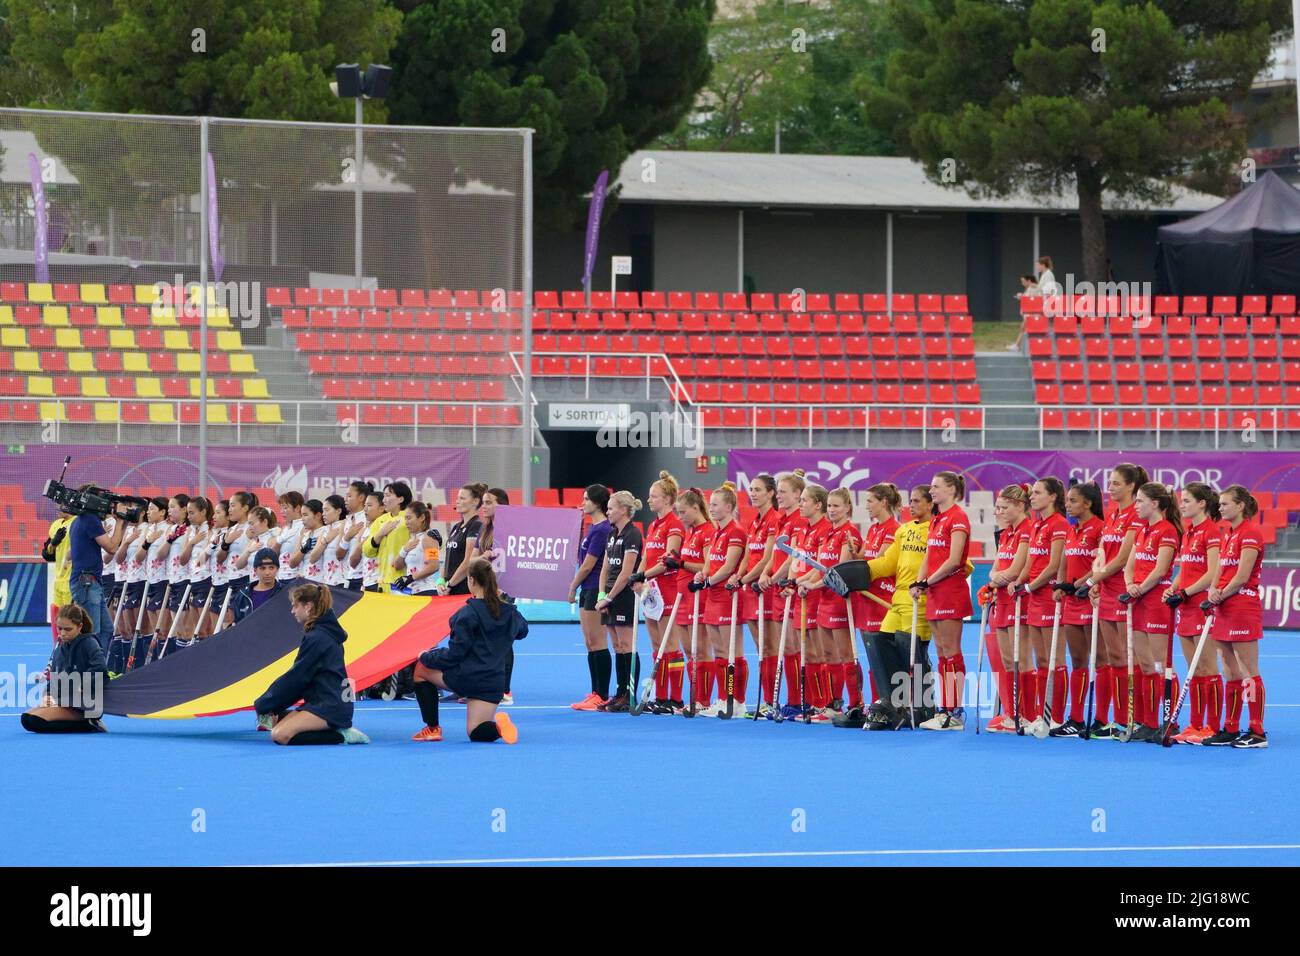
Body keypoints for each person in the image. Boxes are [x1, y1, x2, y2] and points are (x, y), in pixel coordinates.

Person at [410, 559, 526, 743]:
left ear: (471, 581)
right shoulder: (508, 612)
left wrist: (427, 656)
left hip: (468, 678)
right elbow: (523, 631)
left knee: (420, 669)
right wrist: (509, 604)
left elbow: (454, 655)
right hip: (493, 682)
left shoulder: (467, 614)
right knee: (476, 732)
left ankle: (432, 728)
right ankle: (498, 727)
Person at [254, 583, 363, 745]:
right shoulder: (323, 633)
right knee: (271, 721)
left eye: (295, 606)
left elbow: (297, 678)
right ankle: (330, 728)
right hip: (327, 701)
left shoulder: (318, 638)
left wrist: (266, 702)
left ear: (308, 606)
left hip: (331, 706)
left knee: (280, 735)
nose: (292, 611)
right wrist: (271, 706)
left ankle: (342, 736)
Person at [864, 486, 937, 728]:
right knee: (880, 642)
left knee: (914, 654)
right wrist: (859, 572)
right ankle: (897, 703)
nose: (910, 506)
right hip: (899, 600)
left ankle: (923, 708)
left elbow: (959, 563)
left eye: (917, 501)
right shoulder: (904, 530)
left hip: (920, 601)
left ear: (929, 504)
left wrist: (926, 582)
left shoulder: (936, 530)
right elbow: (887, 563)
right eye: (910, 501)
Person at [1203, 486, 1267, 748]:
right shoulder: (1227, 534)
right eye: (1219, 504)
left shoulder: (1250, 533)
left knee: (1249, 670)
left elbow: (1242, 575)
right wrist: (1212, 593)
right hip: (1224, 608)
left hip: (1242, 606)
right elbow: (1220, 570)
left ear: (1240, 506)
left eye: (1225, 504)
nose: (1220, 508)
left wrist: (1220, 594)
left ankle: (1257, 730)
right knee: (1230, 670)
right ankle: (1230, 727)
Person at [1088, 463, 1147, 737]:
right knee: (1113, 657)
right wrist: (1097, 580)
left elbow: (1124, 558)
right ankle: (1114, 718)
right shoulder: (1113, 515)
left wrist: (1094, 578)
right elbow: (1103, 551)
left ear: (1131, 487)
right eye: (1109, 483)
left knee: (1130, 655)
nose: (1110, 488)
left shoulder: (1136, 515)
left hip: (1125, 589)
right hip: (1106, 590)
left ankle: (1132, 718)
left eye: (1116, 484)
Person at [913, 471, 975, 731]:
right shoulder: (937, 519)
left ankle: (955, 711)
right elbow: (930, 555)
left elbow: (954, 559)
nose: (932, 490)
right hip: (935, 590)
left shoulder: (958, 517)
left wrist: (929, 581)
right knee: (940, 652)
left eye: (936, 486)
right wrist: (918, 581)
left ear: (951, 489)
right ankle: (944, 708)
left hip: (950, 589)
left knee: (952, 650)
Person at [1122, 482, 1182, 742]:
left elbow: (1160, 570)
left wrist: (1139, 589)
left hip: (1156, 600)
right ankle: (1148, 721)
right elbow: (1129, 565)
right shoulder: (1141, 531)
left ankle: (1170, 721)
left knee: (1161, 665)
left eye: (1139, 501)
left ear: (1155, 503)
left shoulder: (1167, 531)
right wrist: (1130, 585)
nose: (1135, 506)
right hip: (1139, 599)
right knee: (1145, 664)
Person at [1049, 481, 1105, 737]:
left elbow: (1099, 565)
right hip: (1071, 601)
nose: (1068, 504)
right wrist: (1062, 585)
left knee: (1101, 660)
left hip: (1090, 600)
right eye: (1067, 500)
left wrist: (1079, 584)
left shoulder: (1099, 529)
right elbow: (1064, 561)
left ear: (1088, 504)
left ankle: (1102, 719)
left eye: (1073, 501)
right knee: (1079, 661)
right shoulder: (1073, 530)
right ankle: (1077, 718)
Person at [632, 471, 686, 714]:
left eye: (654, 496)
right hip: (651, 591)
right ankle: (661, 696)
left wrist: (644, 575)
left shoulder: (674, 525)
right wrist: (639, 578)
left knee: (670, 644)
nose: (649, 499)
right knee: (657, 644)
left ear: (667, 499)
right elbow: (647, 556)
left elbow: (668, 559)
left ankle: (675, 699)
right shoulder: (654, 525)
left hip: (668, 589)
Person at [848, 483, 901, 729]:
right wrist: (855, 554)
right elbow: (868, 560)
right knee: (870, 655)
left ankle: (891, 703)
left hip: (882, 598)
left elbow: (881, 565)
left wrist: (862, 562)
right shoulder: (874, 529)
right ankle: (876, 703)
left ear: (883, 502)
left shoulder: (894, 529)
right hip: (867, 597)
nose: (866, 505)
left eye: (870, 501)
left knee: (881, 655)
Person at [810, 488, 863, 722]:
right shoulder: (826, 534)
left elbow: (838, 571)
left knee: (845, 655)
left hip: (841, 601)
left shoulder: (849, 533)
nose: (831, 510)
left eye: (836, 506)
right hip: (824, 600)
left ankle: (856, 704)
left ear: (847, 508)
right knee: (828, 655)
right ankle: (833, 704)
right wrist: (800, 582)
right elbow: (819, 567)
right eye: (829, 506)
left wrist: (812, 586)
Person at [760, 470, 808, 718]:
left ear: (798, 494)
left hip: (791, 586)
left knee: (792, 646)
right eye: (777, 491)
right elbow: (773, 554)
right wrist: (766, 572)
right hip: (779, 587)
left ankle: (799, 700)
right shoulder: (782, 519)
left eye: (783, 491)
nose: (778, 495)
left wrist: (777, 577)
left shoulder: (800, 519)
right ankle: (792, 700)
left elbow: (793, 556)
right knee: (786, 647)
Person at [986, 484, 1032, 733]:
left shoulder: (1027, 531)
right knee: (1007, 659)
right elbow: (996, 567)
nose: (998, 512)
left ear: (1019, 506)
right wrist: (995, 579)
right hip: (1003, 598)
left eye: (1003, 507)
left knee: (1021, 659)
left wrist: (997, 578)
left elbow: (1016, 570)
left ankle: (1028, 714)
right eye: (997, 507)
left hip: (1019, 599)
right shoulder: (1006, 533)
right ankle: (1013, 714)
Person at [21, 603, 108, 734]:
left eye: (67, 629)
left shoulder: (90, 643)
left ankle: (90, 723)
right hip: (65, 700)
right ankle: (82, 721)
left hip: (85, 704)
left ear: (79, 627)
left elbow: (101, 670)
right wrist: (48, 695)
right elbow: (54, 678)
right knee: (26, 719)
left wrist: (83, 684)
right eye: (59, 628)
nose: (62, 633)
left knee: (36, 720)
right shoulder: (60, 649)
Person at [595, 490, 645, 712]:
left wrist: (609, 597)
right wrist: (600, 595)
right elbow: (606, 567)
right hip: (609, 596)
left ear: (624, 510)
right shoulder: (612, 533)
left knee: (627, 645)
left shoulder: (633, 535)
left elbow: (626, 573)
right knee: (617, 646)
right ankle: (620, 691)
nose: (607, 511)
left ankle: (630, 694)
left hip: (623, 595)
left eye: (611, 508)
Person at [735, 474, 779, 718]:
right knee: (760, 647)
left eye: (758, 489)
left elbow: (767, 558)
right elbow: (748, 555)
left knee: (770, 647)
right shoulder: (755, 522)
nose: (752, 493)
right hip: (750, 588)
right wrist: (738, 577)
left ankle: (772, 700)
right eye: (751, 488)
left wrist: (746, 578)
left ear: (771, 493)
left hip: (764, 588)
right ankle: (766, 700)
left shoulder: (774, 520)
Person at [788, 483, 833, 719]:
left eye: (805, 500)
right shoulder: (802, 529)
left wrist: (801, 582)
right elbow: (797, 562)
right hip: (801, 594)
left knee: (820, 654)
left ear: (818, 504)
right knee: (807, 653)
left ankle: (827, 704)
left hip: (816, 594)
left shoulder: (826, 529)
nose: (800, 504)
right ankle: (815, 704)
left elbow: (821, 566)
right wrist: (791, 581)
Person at [670, 487, 715, 715]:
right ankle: (694, 697)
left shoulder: (708, 531)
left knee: (701, 650)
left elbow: (707, 566)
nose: (680, 517)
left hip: (698, 594)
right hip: (682, 593)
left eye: (683, 512)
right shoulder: (691, 531)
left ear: (696, 508)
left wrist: (681, 564)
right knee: (689, 650)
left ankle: (704, 700)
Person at [67, 495, 131, 653]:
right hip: (87, 582)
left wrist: (122, 524)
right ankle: (90, 672)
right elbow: (112, 547)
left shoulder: (78, 520)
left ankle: (97, 668)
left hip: (88, 582)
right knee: (93, 633)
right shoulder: (90, 519)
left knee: (106, 629)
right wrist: (120, 522)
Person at [569, 484, 614, 710]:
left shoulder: (602, 529)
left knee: (597, 641)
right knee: (589, 642)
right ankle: (596, 691)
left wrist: (571, 586)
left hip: (595, 587)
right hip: (587, 588)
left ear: (597, 503)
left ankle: (602, 693)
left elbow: (588, 565)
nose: (583, 502)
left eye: (586, 499)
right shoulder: (592, 528)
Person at [466, 488, 509, 702]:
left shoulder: (510, 530)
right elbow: (472, 561)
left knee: (503, 639)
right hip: (485, 590)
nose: (484, 506)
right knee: (482, 639)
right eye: (483, 502)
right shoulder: (484, 529)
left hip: (504, 591)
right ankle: (484, 685)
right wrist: (483, 556)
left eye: (489, 502)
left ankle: (504, 690)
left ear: (500, 505)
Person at [362, 482, 413, 593]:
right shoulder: (380, 520)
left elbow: (425, 541)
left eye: (388, 496)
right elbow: (367, 551)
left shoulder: (409, 519)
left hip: (403, 581)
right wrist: (380, 534)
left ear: (400, 499)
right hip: (382, 581)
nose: (384, 500)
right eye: (384, 496)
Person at [439, 482, 486, 595]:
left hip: (463, 589)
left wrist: (450, 584)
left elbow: (468, 561)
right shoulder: (456, 527)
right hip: (448, 588)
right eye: (457, 498)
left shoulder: (476, 525)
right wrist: (440, 581)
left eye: (462, 498)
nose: (457, 501)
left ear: (475, 501)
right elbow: (447, 559)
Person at [392, 501, 442, 593]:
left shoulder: (428, 538)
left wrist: (411, 578)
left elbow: (434, 566)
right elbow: (397, 565)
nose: (406, 522)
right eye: (405, 518)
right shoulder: (411, 540)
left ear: (422, 517)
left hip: (426, 591)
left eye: (409, 518)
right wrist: (404, 550)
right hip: (412, 592)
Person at [41, 508, 75, 619]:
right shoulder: (56, 524)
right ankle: (58, 637)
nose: (57, 508)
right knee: (58, 616)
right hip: (59, 577)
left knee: (70, 616)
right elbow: (47, 555)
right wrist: (53, 543)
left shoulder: (77, 522)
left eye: (61, 505)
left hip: (72, 578)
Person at [340, 481, 374, 591]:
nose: (345, 499)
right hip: (348, 576)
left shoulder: (368, 520)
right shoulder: (346, 521)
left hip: (364, 577)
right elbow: (338, 555)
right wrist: (347, 537)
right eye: (346, 496)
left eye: (349, 496)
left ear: (361, 497)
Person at [348, 490, 384, 592]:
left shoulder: (386, 527)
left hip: (380, 583)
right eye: (364, 505)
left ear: (382, 508)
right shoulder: (364, 529)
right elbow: (353, 563)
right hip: (366, 583)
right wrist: (361, 545)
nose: (365, 509)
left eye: (369, 505)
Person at [235, 548, 284, 621]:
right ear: (255, 570)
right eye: (263, 568)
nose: (267, 572)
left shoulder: (285, 592)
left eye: (271, 568)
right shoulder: (242, 596)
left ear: (277, 569)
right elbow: (237, 626)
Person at [275, 491, 306, 583]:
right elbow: (273, 552)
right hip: (281, 578)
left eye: (285, 508)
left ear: (297, 508)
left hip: (296, 578)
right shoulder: (284, 529)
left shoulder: (304, 526)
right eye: (281, 508)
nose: (282, 511)